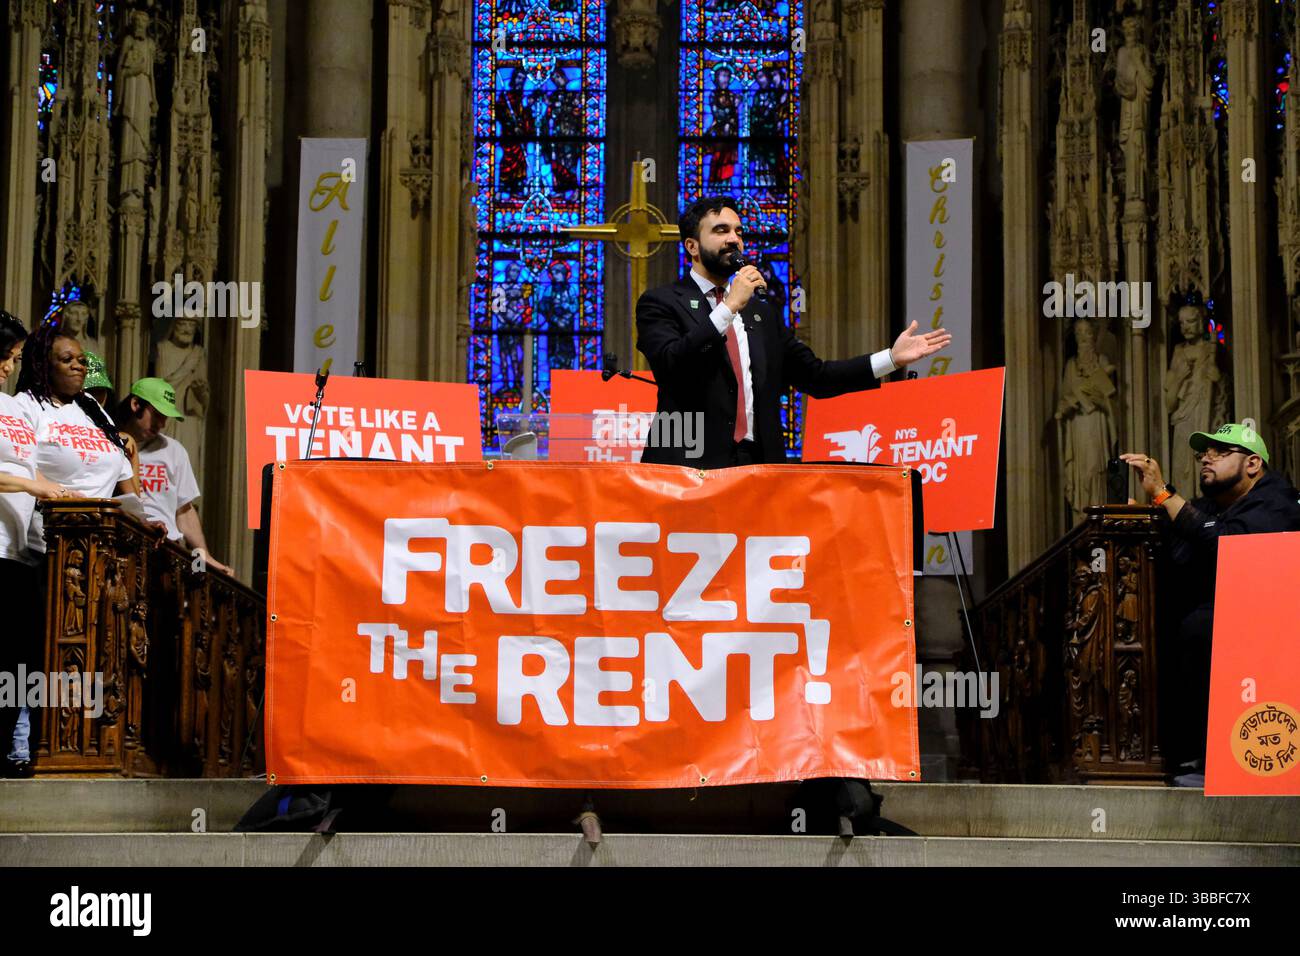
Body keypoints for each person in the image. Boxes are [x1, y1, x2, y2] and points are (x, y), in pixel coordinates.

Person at [636, 195, 951, 468]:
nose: (734, 239)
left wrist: (891, 358)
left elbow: (818, 376)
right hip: (686, 463)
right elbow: (671, 364)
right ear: (692, 245)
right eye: (721, 230)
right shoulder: (661, 302)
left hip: (756, 465)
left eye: (738, 231)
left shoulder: (761, 314)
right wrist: (729, 306)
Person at [1121, 423, 1300, 786]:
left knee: (1200, 628)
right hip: (1225, 620)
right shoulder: (1213, 505)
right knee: (1161, 627)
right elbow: (1184, 552)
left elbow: (1228, 547)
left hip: (1274, 630)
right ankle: (1182, 752)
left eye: (1220, 452)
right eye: (1204, 452)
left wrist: (1163, 494)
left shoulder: (1277, 498)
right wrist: (1143, 521)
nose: (1207, 458)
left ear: (1252, 464)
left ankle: (1217, 758)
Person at [0, 312, 73, 777]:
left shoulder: (11, 410)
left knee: (17, 659)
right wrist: (33, 489)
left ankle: (8, 747)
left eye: (17, 358)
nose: (10, 366)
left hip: (21, 551)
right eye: (7, 356)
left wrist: (66, 494)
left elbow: (29, 470)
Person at [115, 377, 234, 576]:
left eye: (165, 417)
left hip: (167, 551)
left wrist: (203, 554)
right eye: (157, 415)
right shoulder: (110, 443)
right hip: (123, 544)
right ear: (136, 405)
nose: (161, 424)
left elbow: (184, 510)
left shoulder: (173, 450)